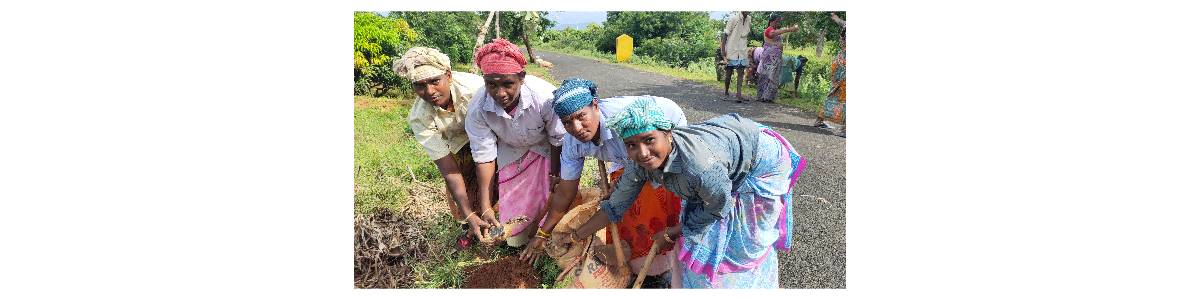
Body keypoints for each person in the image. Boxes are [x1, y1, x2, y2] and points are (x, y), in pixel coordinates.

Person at [552, 99, 806, 288]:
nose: (642, 153)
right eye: (631, 145)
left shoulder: (699, 167)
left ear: (668, 134)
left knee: (740, 245)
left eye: (649, 140)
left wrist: (672, 233)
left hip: (760, 162)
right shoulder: (639, 164)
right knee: (698, 242)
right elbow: (615, 206)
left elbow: (718, 206)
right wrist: (574, 236)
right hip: (722, 152)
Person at [520, 78, 688, 280]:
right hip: (625, 158)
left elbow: (645, 158)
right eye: (567, 122)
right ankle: (635, 259)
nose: (576, 127)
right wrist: (543, 234)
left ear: (595, 105)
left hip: (657, 137)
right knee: (621, 204)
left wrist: (625, 184)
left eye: (581, 116)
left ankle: (666, 261)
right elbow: (565, 193)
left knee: (655, 197)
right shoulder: (572, 143)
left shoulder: (622, 123)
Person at [464, 38, 566, 247]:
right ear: (484, 81)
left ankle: (546, 235)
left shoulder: (545, 98)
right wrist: (485, 206)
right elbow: (484, 156)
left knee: (550, 196)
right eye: (491, 84)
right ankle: (517, 237)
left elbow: (558, 138)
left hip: (547, 148)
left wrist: (556, 174)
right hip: (511, 150)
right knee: (514, 232)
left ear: (522, 78)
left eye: (508, 84)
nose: (500, 93)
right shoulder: (478, 108)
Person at [392, 47, 487, 248]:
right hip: (458, 145)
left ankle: (499, 219)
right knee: (463, 193)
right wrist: (468, 213)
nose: (429, 91)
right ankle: (471, 224)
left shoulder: (476, 89)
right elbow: (449, 169)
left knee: (494, 180)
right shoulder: (420, 117)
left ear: (448, 76)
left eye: (435, 81)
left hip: (491, 137)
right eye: (419, 85)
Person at [815, 12, 847, 137]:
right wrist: (837, 19)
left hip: (840, 62)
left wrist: (836, 18)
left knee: (834, 92)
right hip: (844, 64)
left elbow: (842, 22)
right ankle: (845, 129)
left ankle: (819, 120)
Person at [757, 14, 800, 103]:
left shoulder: (776, 30)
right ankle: (764, 96)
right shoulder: (769, 29)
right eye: (777, 21)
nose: (778, 23)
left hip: (775, 57)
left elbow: (777, 33)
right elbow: (772, 34)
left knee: (773, 76)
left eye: (779, 22)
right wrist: (788, 29)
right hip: (770, 58)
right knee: (767, 76)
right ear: (771, 21)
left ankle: (767, 97)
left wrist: (790, 30)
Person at [720, 11, 753, 103]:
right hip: (731, 49)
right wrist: (723, 51)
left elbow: (745, 35)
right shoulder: (734, 19)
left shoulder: (749, 19)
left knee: (741, 72)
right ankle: (726, 92)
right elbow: (725, 36)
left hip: (742, 50)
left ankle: (738, 94)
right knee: (729, 73)